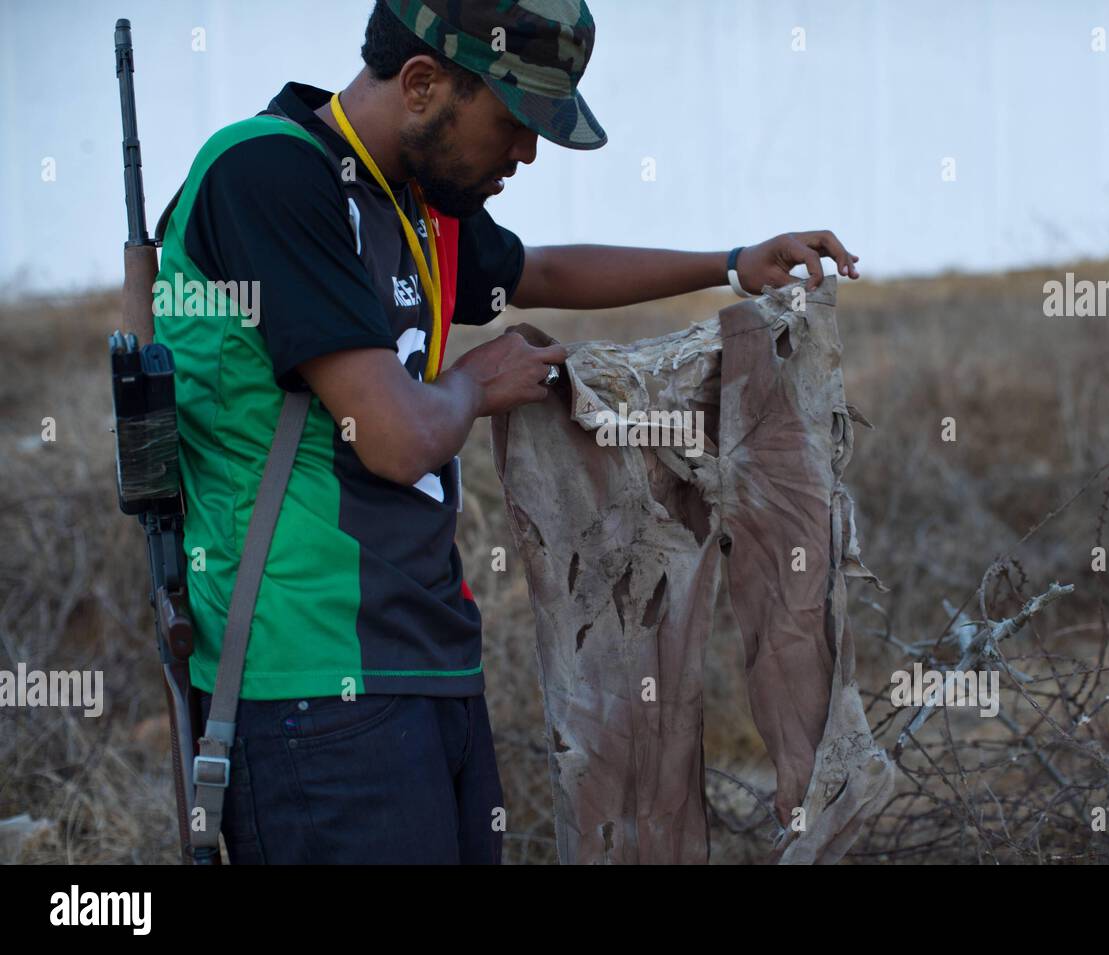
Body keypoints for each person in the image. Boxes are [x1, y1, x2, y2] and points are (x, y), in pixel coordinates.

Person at [155, 0, 861, 864]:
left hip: (428, 660)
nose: (527, 153)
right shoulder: (267, 175)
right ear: (422, 83)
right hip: (309, 683)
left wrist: (729, 264)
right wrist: (476, 381)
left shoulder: (413, 202)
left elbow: (539, 271)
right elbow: (395, 436)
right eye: (516, 122)